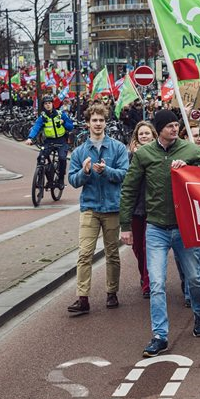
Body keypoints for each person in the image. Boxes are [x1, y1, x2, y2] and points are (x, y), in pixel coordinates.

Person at [119, 110, 200, 358]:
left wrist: (190, 167)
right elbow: (129, 188)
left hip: (184, 227)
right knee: (157, 283)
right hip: (156, 228)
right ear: (158, 129)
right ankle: (160, 335)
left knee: (194, 278)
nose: (174, 129)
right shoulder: (144, 154)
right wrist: (125, 225)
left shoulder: (189, 150)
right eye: (169, 126)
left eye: (175, 125)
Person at [66, 102, 129, 315]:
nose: (98, 124)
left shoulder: (118, 148)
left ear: (106, 122)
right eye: (94, 120)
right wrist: (84, 172)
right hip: (90, 207)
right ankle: (82, 298)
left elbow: (124, 174)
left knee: (112, 252)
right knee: (85, 253)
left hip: (112, 207)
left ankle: (112, 292)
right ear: (88, 123)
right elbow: (73, 180)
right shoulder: (80, 151)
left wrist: (106, 170)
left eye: (101, 120)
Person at [127, 120, 157, 298]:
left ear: (153, 136)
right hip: (136, 207)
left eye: (147, 133)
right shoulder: (131, 157)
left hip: (153, 208)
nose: (144, 136)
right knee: (137, 247)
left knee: (148, 247)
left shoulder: (159, 155)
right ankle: (143, 274)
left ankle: (148, 283)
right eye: (141, 134)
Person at [25, 96, 74, 188]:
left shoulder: (61, 114)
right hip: (49, 141)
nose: (48, 105)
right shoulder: (42, 117)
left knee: (62, 158)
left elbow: (71, 127)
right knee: (41, 158)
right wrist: (30, 138)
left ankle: (60, 180)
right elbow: (36, 127)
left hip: (61, 140)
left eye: (49, 103)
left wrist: (64, 123)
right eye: (46, 104)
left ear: (52, 104)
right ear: (43, 105)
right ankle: (47, 180)